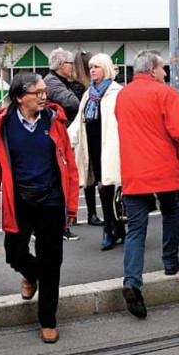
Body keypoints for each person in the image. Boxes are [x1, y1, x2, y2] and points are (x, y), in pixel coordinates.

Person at [0, 72, 80, 344]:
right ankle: (30, 275)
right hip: (19, 201)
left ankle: (48, 321)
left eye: (44, 91)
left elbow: (69, 166)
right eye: (37, 93)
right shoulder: (2, 125)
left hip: (51, 200)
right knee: (14, 253)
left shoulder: (54, 120)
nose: (43, 96)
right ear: (19, 97)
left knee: (52, 261)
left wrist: (72, 206)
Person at [114, 50, 179, 319]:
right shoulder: (165, 93)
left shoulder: (123, 95)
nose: (165, 72)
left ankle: (132, 282)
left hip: (134, 171)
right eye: (162, 68)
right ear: (152, 70)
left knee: (136, 230)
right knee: (170, 212)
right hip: (163, 168)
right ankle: (170, 262)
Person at [69, 53, 126, 251]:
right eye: (91, 67)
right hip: (92, 146)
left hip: (109, 145)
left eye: (96, 67)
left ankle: (110, 229)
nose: (92, 70)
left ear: (106, 69)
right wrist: (65, 141)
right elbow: (79, 121)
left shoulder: (117, 92)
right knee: (102, 186)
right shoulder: (90, 93)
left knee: (108, 187)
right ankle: (116, 228)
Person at [43, 47, 82, 241]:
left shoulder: (61, 82)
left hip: (61, 136)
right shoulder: (52, 82)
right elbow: (73, 103)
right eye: (70, 63)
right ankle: (60, 226)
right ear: (60, 65)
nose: (72, 67)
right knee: (60, 181)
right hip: (57, 137)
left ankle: (61, 223)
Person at [70, 51, 102, 228]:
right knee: (88, 175)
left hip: (80, 134)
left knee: (84, 175)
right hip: (84, 135)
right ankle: (90, 213)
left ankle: (78, 214)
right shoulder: (85, 88)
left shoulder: (76, 85)